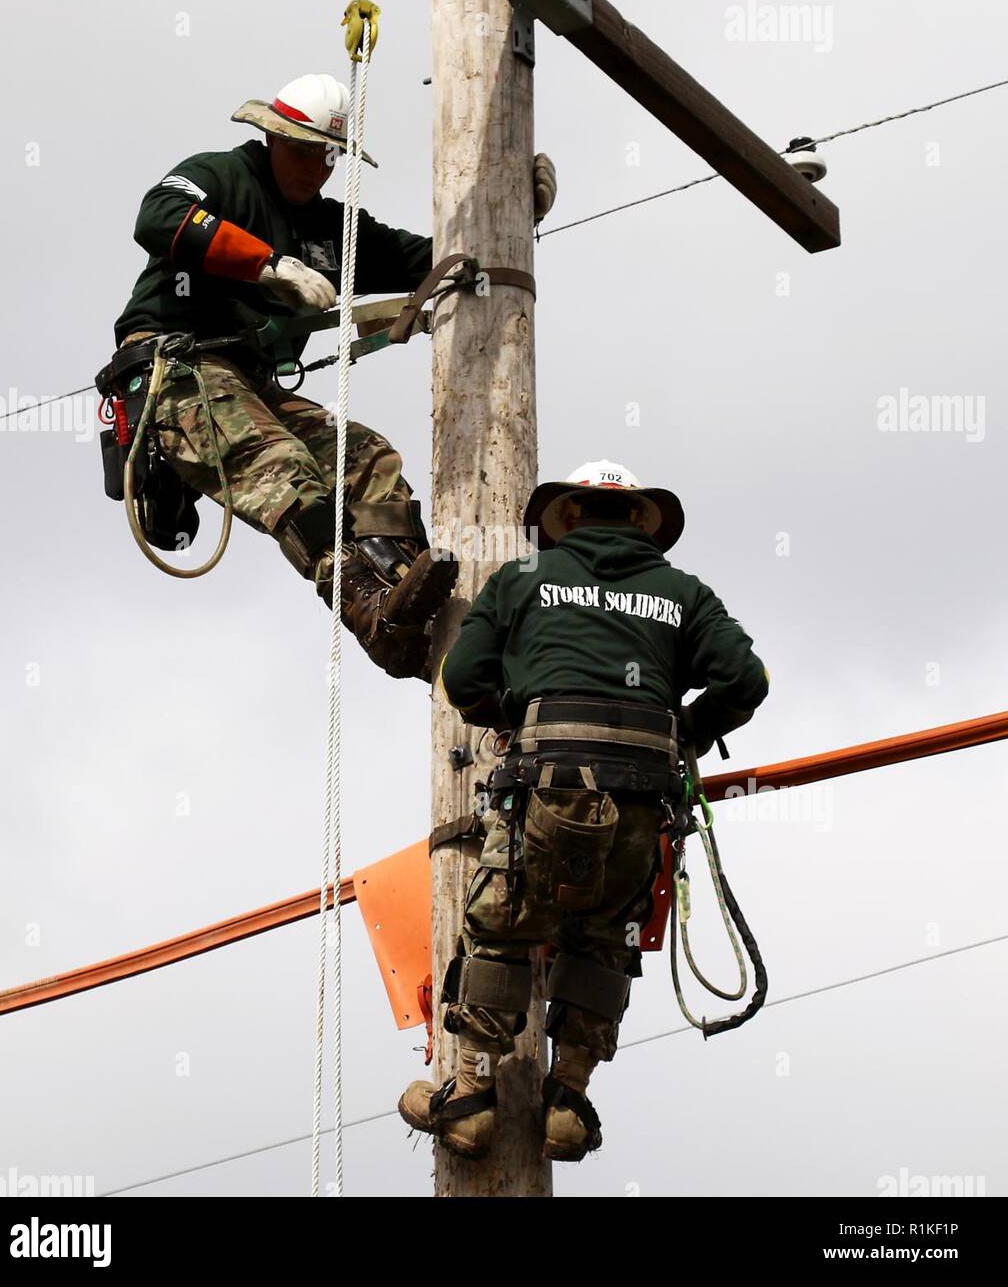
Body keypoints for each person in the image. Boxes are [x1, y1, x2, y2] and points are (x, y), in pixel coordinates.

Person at [108, 72, 558, 679]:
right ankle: (362, 602)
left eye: (326, 156)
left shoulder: (334, 228)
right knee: (285, 469)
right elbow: (157, 218)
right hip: (179, 370)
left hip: (253, 386)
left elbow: (433, 257)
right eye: (301, 150)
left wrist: (512, 212)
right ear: (272, 138)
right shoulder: (222, 176)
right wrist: (266, 266)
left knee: (370, 459)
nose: (315, 168)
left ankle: (406, 604)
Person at [398, 460, 769, 1158]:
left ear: (565, 519)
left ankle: (472, 1096)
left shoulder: (523, 582)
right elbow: (746, 680)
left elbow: (461, 678)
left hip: (546, 787)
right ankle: (567, 1099)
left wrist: (509, 712)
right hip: (639, 805)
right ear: (640, 523)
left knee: (502, 926)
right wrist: (687, 729)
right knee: (603, 939)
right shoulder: (682, 594)